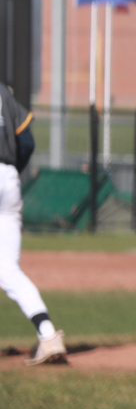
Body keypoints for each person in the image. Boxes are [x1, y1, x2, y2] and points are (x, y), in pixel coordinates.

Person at [0, 86, 66, 365]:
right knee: (7, 268)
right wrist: (13, 169)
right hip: (7, 179)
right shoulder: (3, 93)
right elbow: (26, 142)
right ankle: (48, 335)